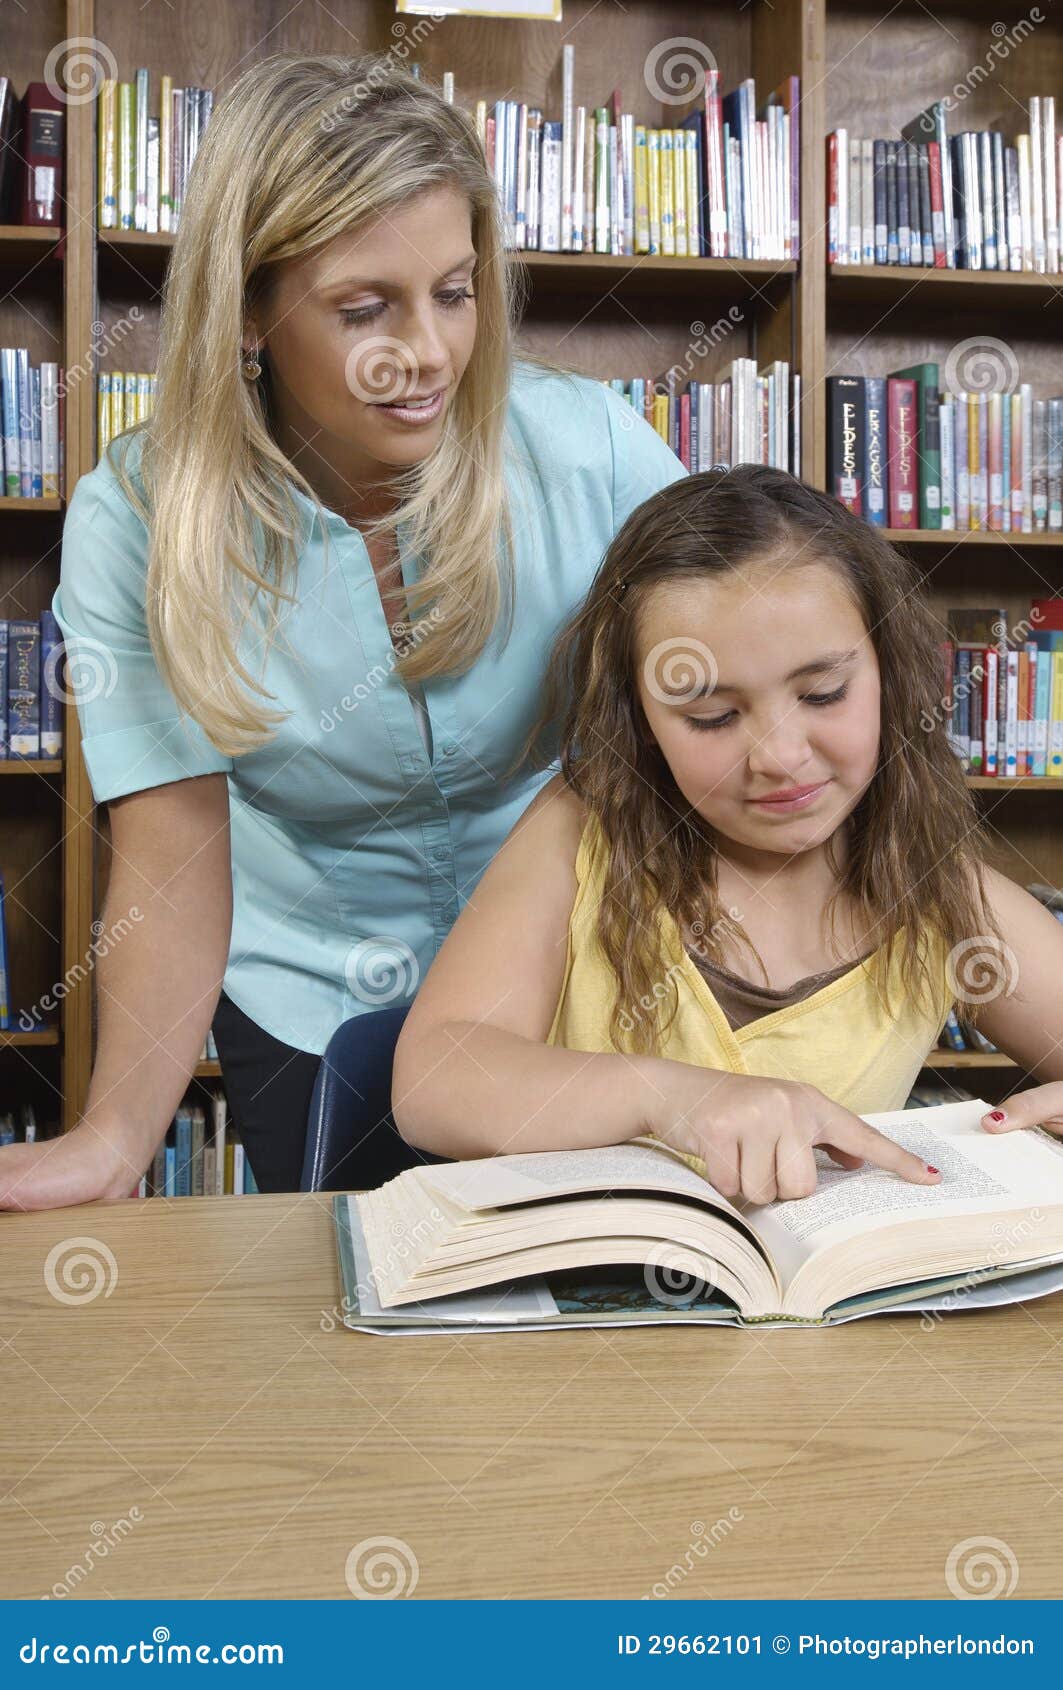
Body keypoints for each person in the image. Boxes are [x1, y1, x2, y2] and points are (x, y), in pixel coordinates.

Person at [0, 52, 685, 1211]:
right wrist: (116, 1140)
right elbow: (172, 852)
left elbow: (767, 712)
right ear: (252, 310)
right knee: (353, 1339)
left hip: (572, 974)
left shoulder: (595, 453)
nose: (426, 352)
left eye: (455, 292)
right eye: (365, 307)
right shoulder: (138, 519)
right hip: (310, 988)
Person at [393, 465, 1063, 1205]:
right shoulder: (579, 829)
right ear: (640, 723)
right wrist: (666, 1095)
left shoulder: (941, 893)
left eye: (822, 693)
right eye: (710, 716)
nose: (778, 756)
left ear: (889, 675)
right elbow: (434, 1080)